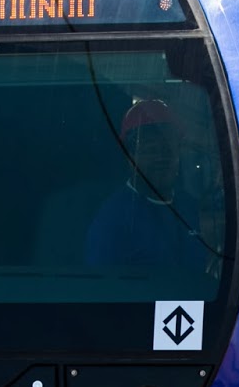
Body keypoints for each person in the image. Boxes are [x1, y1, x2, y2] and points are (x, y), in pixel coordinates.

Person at [84, 98, 220, 280]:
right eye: (150, 149)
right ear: (130, 157)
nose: (161, 158)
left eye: (168, 148)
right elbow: (101, 288)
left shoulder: (190, 206)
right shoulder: (112, 219)